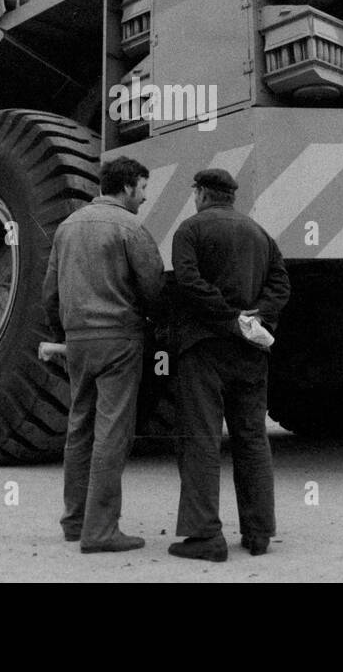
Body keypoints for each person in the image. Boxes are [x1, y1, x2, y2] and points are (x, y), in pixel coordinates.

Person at [42, 157, 165, 553]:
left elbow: (50, 293)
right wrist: (151, 324)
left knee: (80, 427)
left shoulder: (67, 227)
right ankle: (102, 530)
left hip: (78, 341)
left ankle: (75, 522)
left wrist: (64, 334)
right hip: (119, 341)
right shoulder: (130, 227)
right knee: (112, 433)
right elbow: (153, 288)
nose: (145, 198)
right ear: (128, 187)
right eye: (143, 189)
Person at [168, 168, 292, 561]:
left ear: (203, 193)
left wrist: (227, 318)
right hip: (251, 351)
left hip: (204, 347)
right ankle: (259, 534)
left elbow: (187, 283)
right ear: (231, 196)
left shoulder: (189, 230)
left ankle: (205, 537)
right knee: (252, 438)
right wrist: (256, 319)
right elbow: (281, 285)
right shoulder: (259, 233)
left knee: (201, 439)